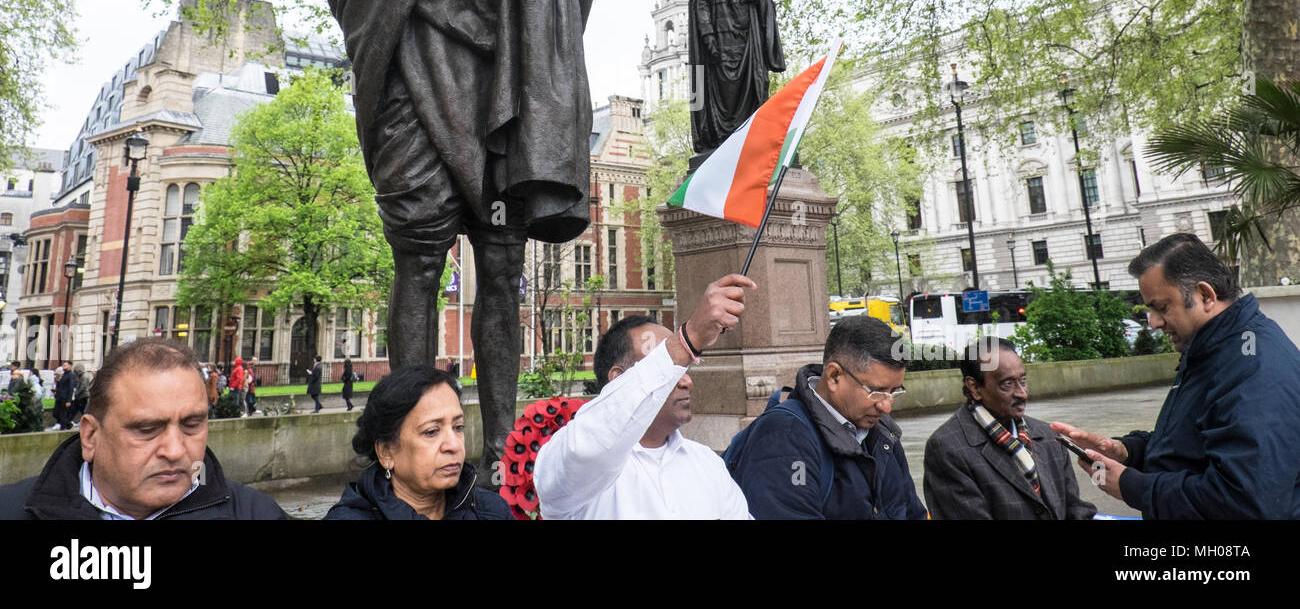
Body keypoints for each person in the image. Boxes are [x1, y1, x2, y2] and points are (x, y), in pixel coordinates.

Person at [321, 0, 594, 477]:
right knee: (418, 251)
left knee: (502, 265)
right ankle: (407, 450)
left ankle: (509, 459)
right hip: (415, 71)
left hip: (496, 89)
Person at [1052, 233, 1300, 519]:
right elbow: (1195, 443)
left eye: (1162, 307)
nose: (1154, 323)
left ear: (1205, 295)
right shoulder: (1214, 349)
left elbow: (1244, 500)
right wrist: (1126, 452)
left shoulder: (1252, 365)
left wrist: (1130, 485)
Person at [534, 274, 754, 519]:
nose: (686, 381)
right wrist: (686, 341)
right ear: (619, 379)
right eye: (667, 368)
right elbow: (585, 450)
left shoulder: (706, 463)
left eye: (682, 368)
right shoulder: (578, 476)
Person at [0, 339, 287, 519]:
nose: (175, 451)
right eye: (147, 429)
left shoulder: (256, 512)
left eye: (191, 425)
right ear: (90, 436)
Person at [727, 315, 928, 519]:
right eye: (876, 391)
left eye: (894, 391)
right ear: (834, 376)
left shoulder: (883, 432)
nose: (886, 406)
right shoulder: (784, 439)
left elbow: (913, 512)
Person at [923, 338, 1096, 520]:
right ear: (975, 387)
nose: (1022, 393)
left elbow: (1076, 510)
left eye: (1023, 380)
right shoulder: (948, 449)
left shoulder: (1048, 435)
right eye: (1007, 384)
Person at [325, 366, 511, 520]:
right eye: (431, 432)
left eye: (458, 427)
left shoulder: (492, 510)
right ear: (386, 452)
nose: (454, 445)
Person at [687, 0, 785, 157]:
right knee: (724, 93)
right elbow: (701, 4)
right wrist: (708, 35)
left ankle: (754, 134)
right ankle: (724, 137)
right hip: (722, 43)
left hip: (750, 43)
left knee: (756, 87)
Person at [54, 361, 78, 431]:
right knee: (56, 413)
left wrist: (68, 400)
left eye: (65, 365)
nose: (63, 367)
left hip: (65, 398)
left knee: (62, 414)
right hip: (60, 397)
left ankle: (64, 427)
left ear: (70, 366)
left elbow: (71, 388)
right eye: (63, 365)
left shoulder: (71, 375)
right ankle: (68, 424)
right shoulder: (64, 374)